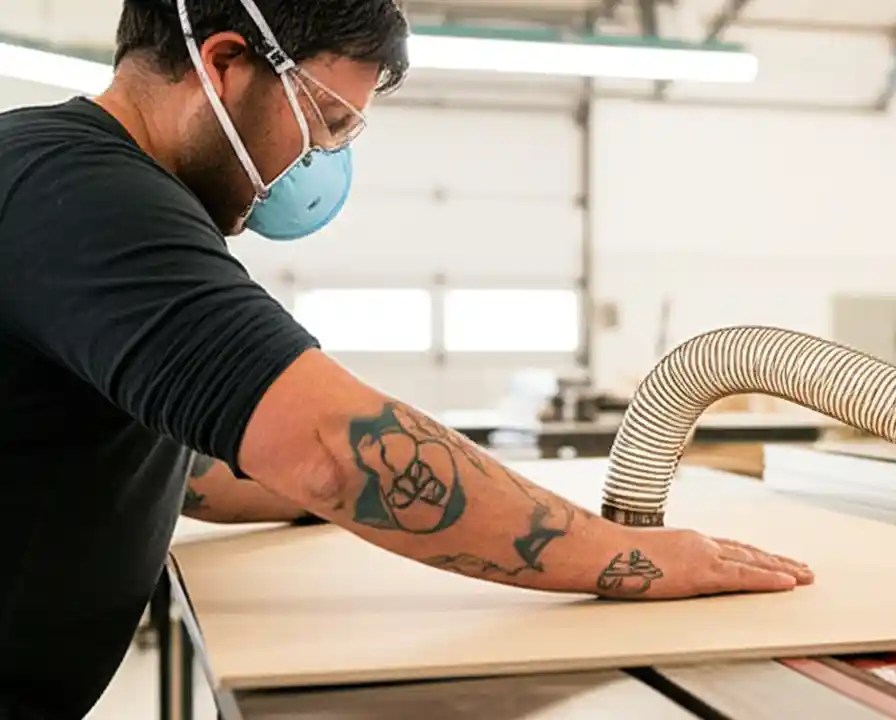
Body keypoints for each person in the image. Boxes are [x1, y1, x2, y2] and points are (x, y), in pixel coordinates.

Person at [0, 0, 814, 716]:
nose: (319, 160)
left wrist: (322, 500)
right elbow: (332, 452)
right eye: (324, 122)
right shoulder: (89, 196)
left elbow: (181, 465)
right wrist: (629, 556)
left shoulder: (55, 173)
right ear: (222, 64)